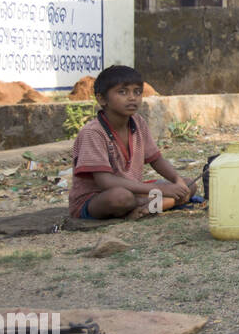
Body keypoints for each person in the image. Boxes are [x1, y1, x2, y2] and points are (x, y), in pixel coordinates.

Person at [69, 65, 197, 219]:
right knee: (120, 198)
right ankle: (155, 203)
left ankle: (149, 206)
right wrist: (160, 190)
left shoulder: (138, 122)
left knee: (189, 185)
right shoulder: (93, 132)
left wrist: (177, 181)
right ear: (102, 99)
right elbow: (105, 182)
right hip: (98, 198)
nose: (132, 98)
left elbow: (156, 159)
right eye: (122, 92)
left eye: (137, 92)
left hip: (133, 189)